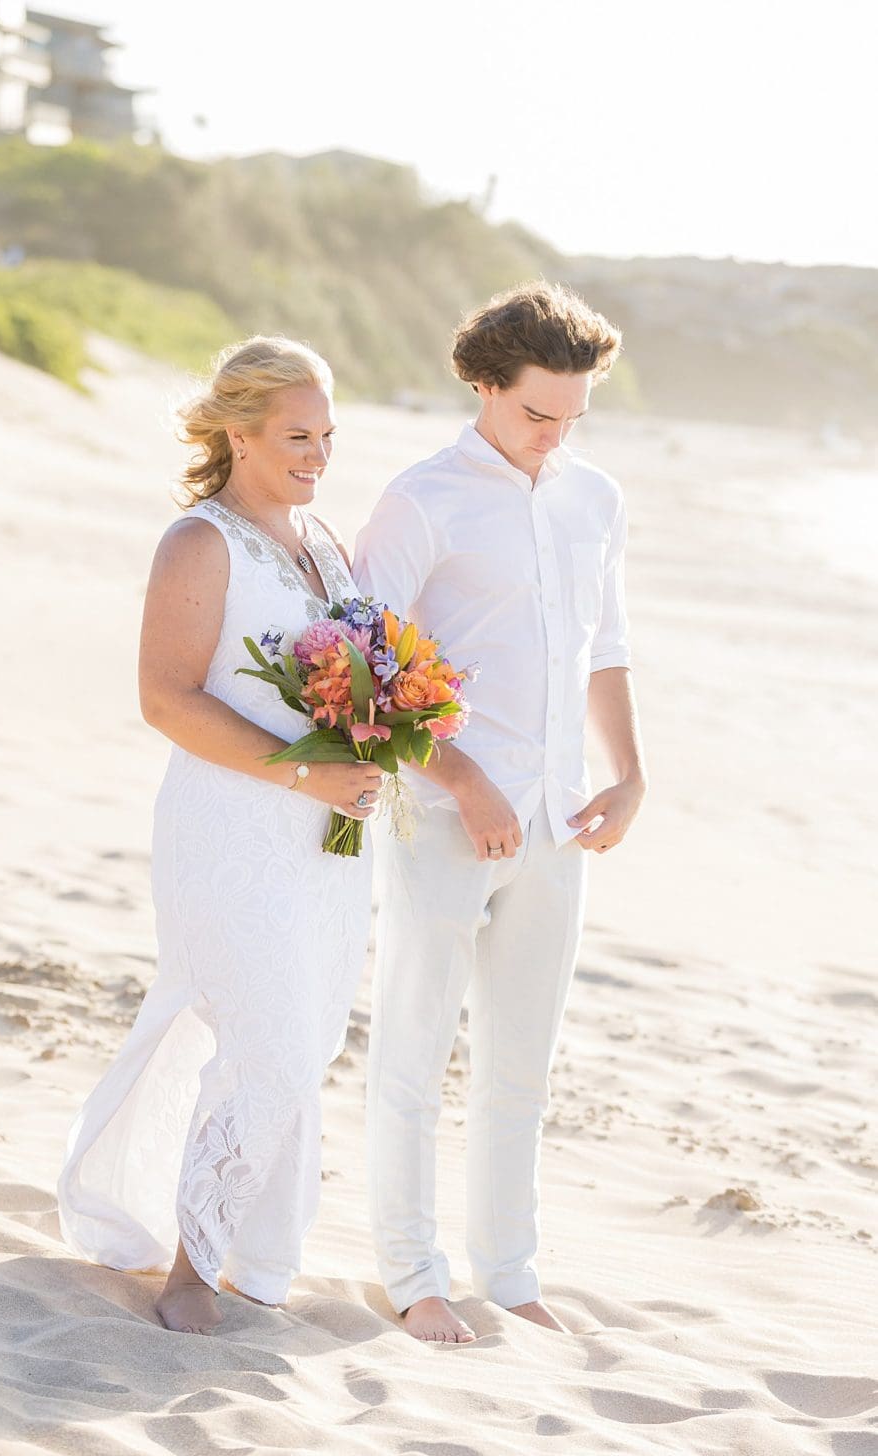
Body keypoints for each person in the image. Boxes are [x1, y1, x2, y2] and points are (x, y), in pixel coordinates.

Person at [57, 336, 382, 1334]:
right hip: (230, 828)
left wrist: (377, 731)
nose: (317, 456)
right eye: (296, 436)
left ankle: (250, 1253)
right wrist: (302, 768)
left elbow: (351, 675)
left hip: (324, 839)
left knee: (304, 1034)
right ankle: (190, 1272)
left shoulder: (324, 545)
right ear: (235, 432)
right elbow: (166, 697)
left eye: (326, 436)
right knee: (270, 1041)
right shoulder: (197, 543)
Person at [353, 282, 647, 1344]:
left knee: (520, 1062)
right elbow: (362, 660)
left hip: (558, 820)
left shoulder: (593, 497)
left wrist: (629, 771)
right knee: (413, 1050)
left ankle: (509, 1273)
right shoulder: (422, 499)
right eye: (534, 414)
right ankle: (408, 1272)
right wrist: (462, 779)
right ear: (483, 383)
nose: (551, 438)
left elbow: (599, 646)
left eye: (571, 417)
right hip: (440, 812)